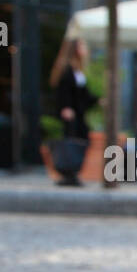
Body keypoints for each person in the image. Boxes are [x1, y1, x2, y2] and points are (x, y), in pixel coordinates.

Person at [49, 38, 97, 186]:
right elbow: (63, 91)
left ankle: (73, 172)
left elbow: (83, 95)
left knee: (81, 139)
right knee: (71, 141)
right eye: (82, 46)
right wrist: (66, 107)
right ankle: (68, 173)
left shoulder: (79, 70)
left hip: (79, 113)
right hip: (71, 113)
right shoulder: (67, 69)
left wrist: (97, 100)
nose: (85, 49)